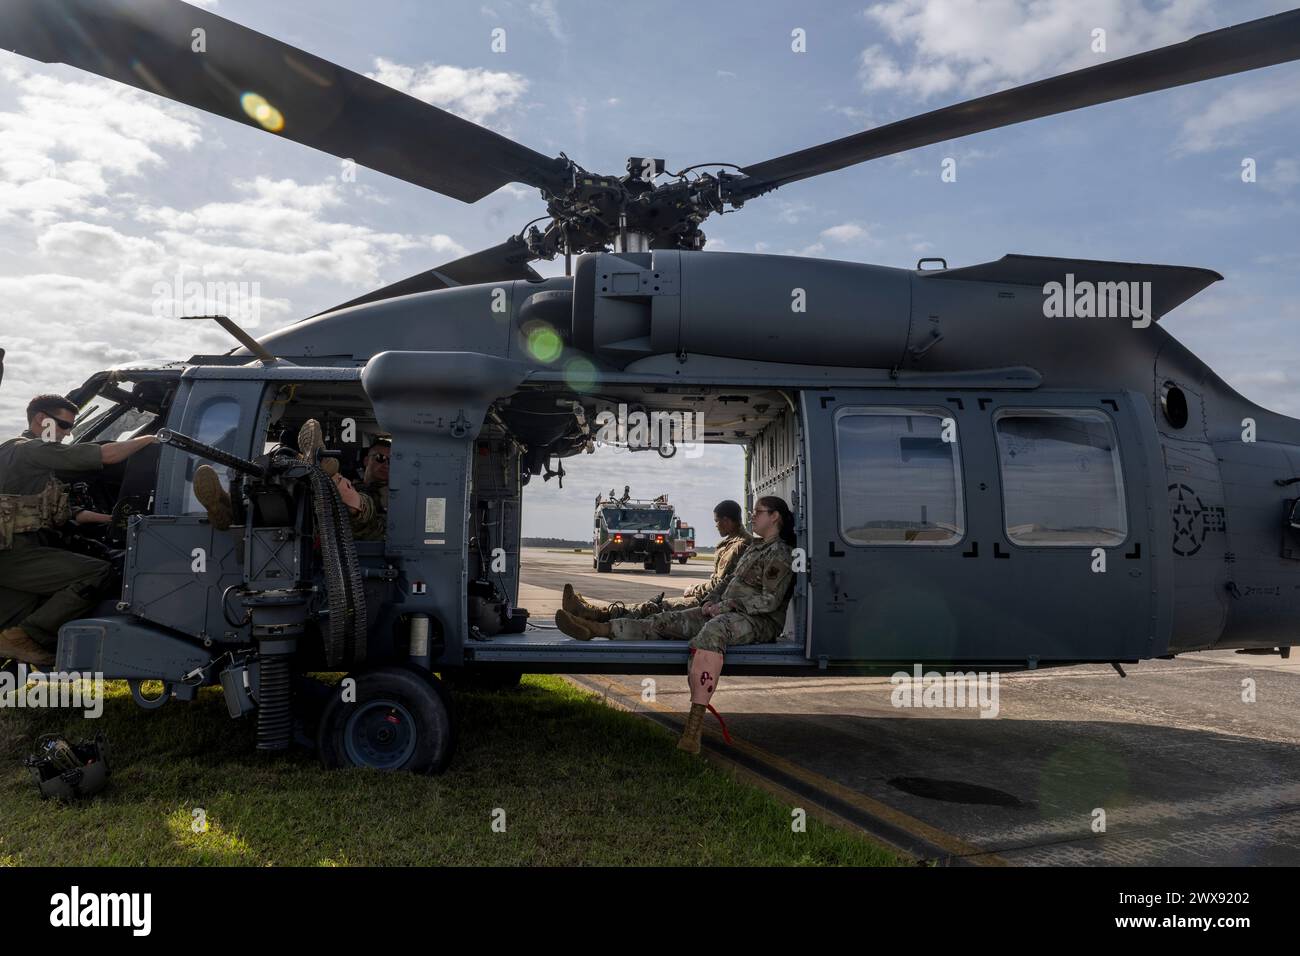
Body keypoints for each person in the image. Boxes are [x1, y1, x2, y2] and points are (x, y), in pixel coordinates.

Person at [555, 495, 798, 753]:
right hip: (726, 610)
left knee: (711, 633)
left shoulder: (780, 553)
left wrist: (725, 606)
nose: (753, 516)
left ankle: (693, 729)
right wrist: (711, 600)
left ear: (775, 517)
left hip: (758, 621)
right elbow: (729, 583)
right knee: (665, 620)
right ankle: (596, 629)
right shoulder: (755, 548)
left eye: (759, 512)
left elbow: (769, 601)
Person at [0, 394, 158, 667]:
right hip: (15, 553)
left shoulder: (17, 454)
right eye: (62, 425)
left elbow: (66, 512)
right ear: (41, 419)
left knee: (10, 618)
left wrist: (111, 519)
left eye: (70, 427)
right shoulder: (32, 450)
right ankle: (25, 636)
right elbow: (108, 454)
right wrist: (152, 438)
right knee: (96, 571)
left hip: (17, 549)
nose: (66, 433)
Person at [561, 499, 751, 622]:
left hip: (714, 604)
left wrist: (695, 590)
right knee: (656, 606)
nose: (716, 525)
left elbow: (723, 584)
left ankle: (596, 616)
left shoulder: (740, 545)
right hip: (712, 601)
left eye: (717, 521)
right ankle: (595, 614)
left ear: (727, 521)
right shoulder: (733, 543)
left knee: (656, 609)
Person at [193, 421, 388, 541]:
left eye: (392, 459)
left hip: (365, 530)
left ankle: (326, 471)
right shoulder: (356, 479)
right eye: (380, 458)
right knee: (278, 500)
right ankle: (226, 509)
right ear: (366, 460)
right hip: (316, 529)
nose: (385, 464)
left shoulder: (399, 491)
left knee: (356, 505)